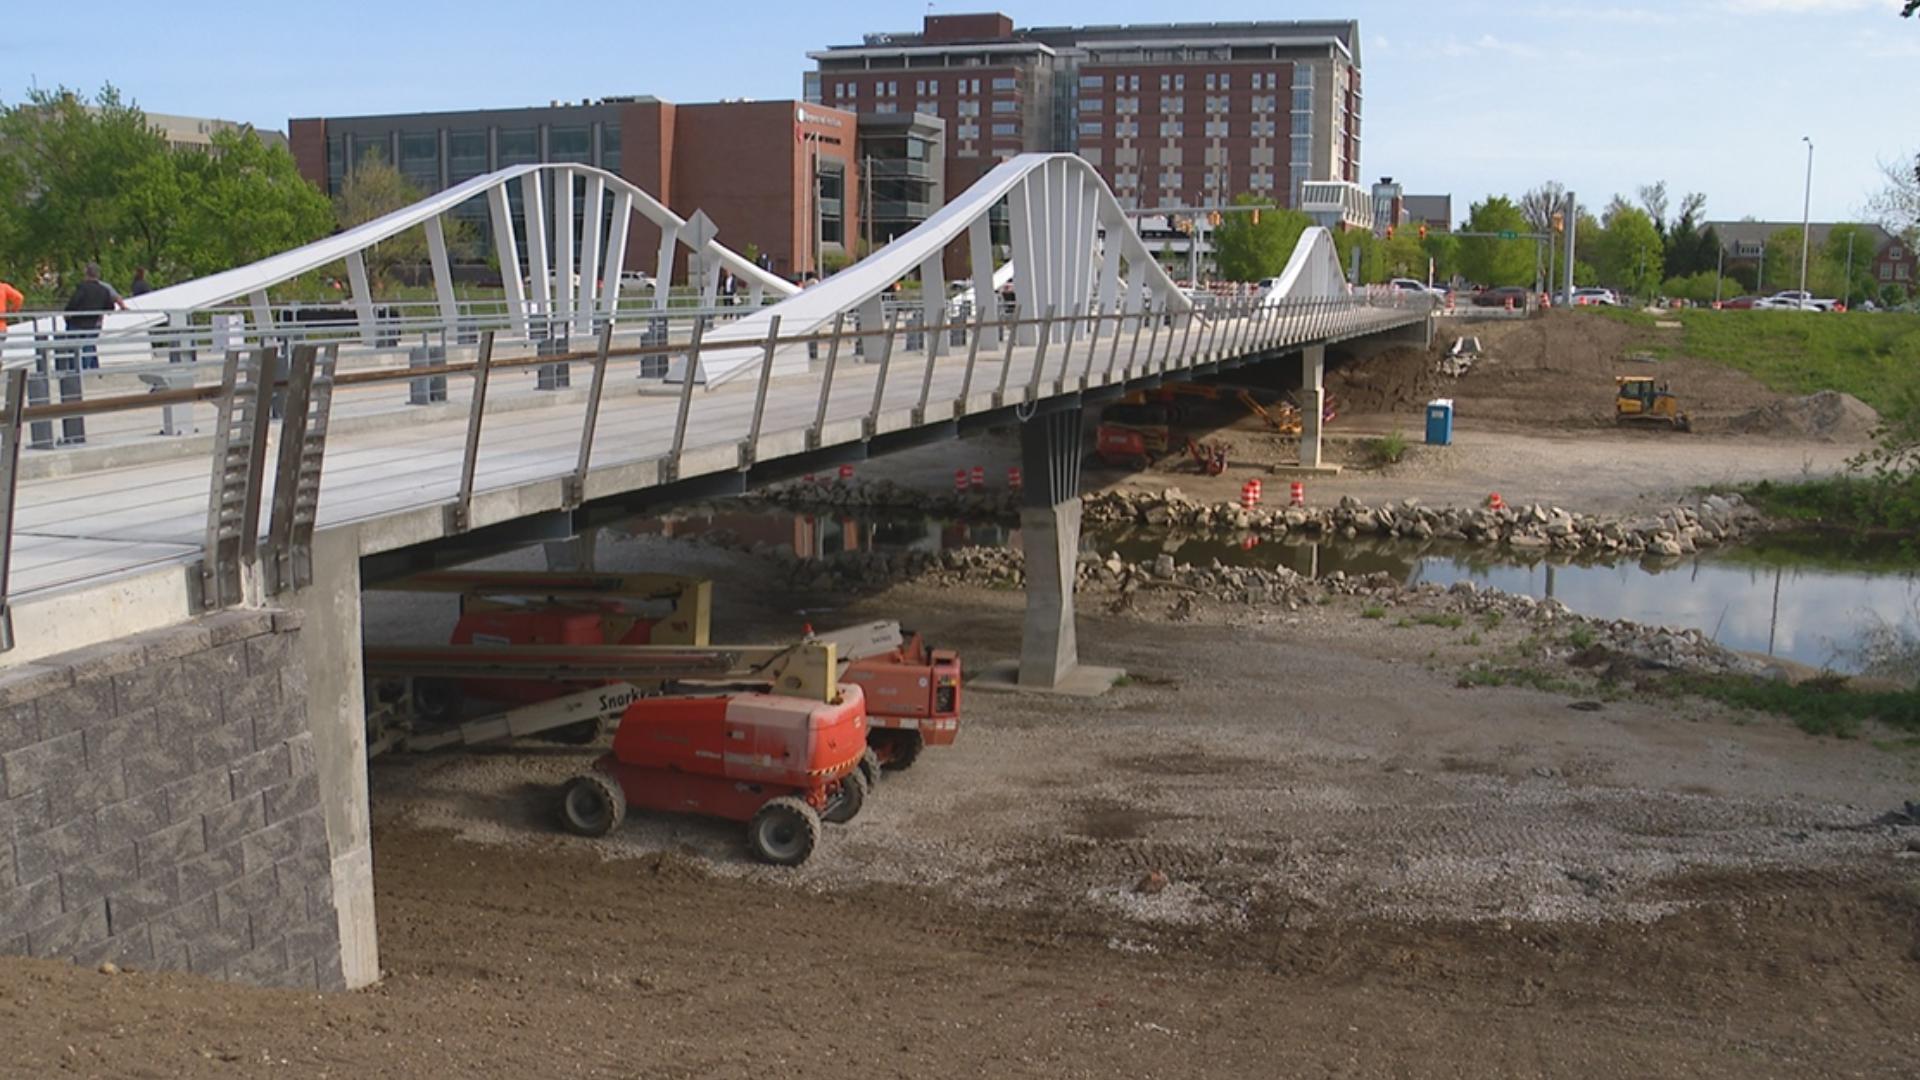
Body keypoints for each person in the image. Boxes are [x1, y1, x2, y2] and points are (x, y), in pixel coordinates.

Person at [64, 262, 124, 371]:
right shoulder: (104, 290)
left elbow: (73, 304)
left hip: (77, 323)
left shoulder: (82, 288)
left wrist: (67, 315)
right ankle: (87, 369)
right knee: (88, 347)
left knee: (74, 349)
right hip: (94, 324)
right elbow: (110, 307)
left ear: (86, 274)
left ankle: (76, 371)